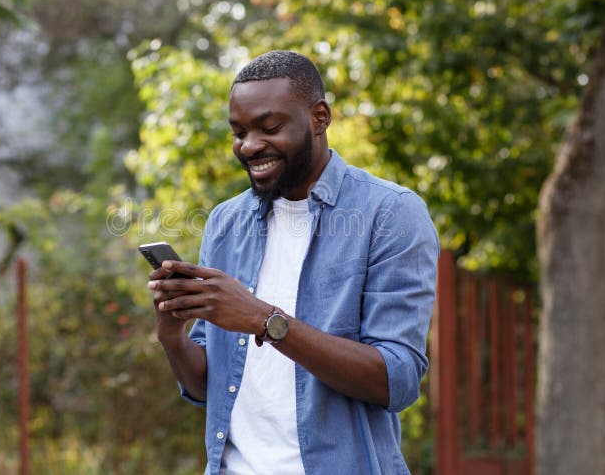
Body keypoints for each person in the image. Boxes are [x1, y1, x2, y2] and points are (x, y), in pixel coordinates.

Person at [146, 50, 439, 475]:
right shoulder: (226, 222)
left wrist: (265, 320)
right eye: (238, 131)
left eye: (269, 128)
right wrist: (172, 335)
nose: (248, 146)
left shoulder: (389, 214)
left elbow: (397, 378)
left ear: (319, 117)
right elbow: (208, 386)